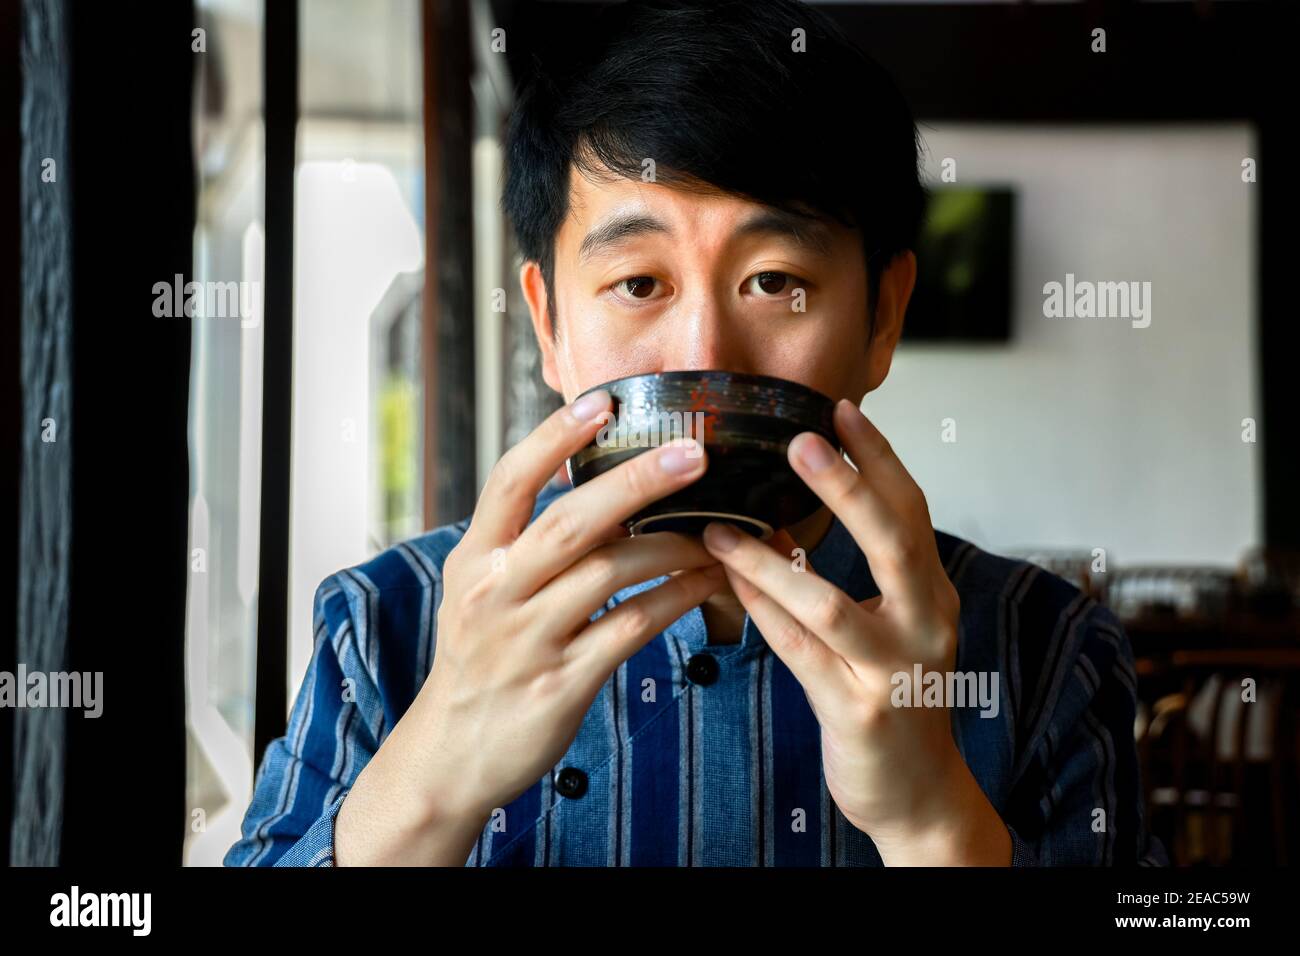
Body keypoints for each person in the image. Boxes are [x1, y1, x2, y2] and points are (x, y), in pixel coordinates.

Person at [225, 0, 1167, 867]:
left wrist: (933, 822)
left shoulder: (1047, 650)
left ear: (883, 316)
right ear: (548, 324)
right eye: (639, 284)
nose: (706, 355)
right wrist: (429, 783)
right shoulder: (384, 625)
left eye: (775, 281)